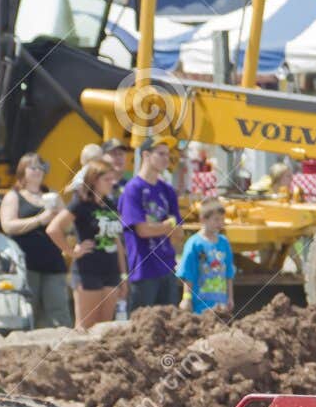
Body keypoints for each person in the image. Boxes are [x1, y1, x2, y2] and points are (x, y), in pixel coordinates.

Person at [49, 160, 126, 330]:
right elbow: (53, 229)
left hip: (111, 270)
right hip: (88, 270)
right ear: (94, 181)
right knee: (85, 327)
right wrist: (72, 251)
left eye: (113, 179)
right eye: (107, 179)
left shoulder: (111, 204)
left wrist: (123, 274)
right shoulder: (80, 204)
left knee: (105, 327)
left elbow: (116, 241)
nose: (112, 183)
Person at [0, 153, 71, 328]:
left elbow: (68, 226)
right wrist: (39, 220)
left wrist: (59, 217)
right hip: (25, 264)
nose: (38, 171)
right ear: (22, 171)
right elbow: (8, 225)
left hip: (52, 261)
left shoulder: (52, 194)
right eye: (33, 167)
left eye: (41, 167)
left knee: (59, 309)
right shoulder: (14, 196)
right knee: (28, 310)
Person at [119, 138, 183, 311]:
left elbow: (179, 234)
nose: (166, 159)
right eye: (161, 154)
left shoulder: (167, 190)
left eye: (167, 154)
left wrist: (158, 226)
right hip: (143, 269)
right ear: (146, 155)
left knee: (170, 324)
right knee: (142, 325)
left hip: (167, 267)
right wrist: (166, 226)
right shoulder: (133, 189)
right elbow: (142, 230)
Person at [177, 197, 235, 315]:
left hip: (221, 307)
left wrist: (230, 297)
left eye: (222, 219)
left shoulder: (224, 243)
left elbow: (229, 273)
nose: (220, 223)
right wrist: (186, 298)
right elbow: (188, 274)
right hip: (200, 307)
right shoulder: (194, 244)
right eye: (216, 220)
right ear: (203, 219)